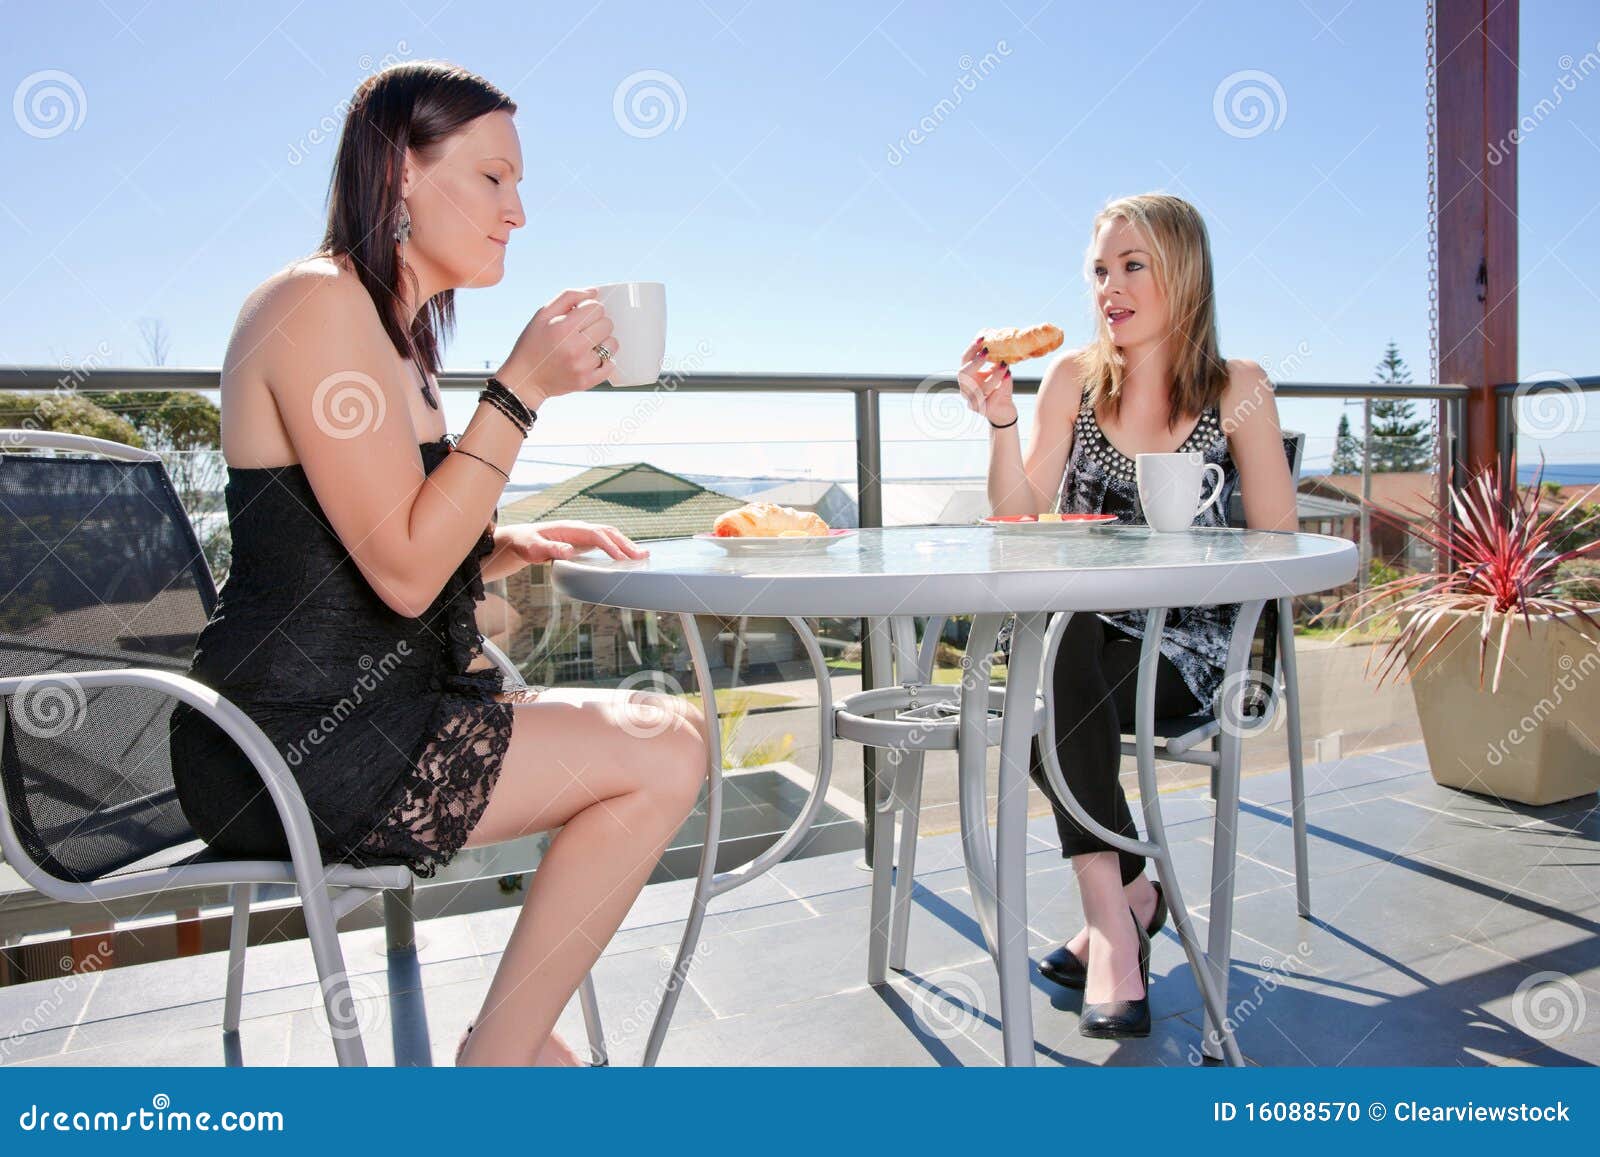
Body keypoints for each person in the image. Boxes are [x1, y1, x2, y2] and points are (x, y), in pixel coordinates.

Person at [168, 60, 709, 1067]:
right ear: (400, 172)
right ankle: (500, 1058)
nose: (518, 212)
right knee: (666, 747)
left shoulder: (390, 332)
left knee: (663, 736)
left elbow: (370, 543)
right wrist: (518, 391)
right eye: (495, 178)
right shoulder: (318, 302)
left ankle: (509, 1045)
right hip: (287, 744)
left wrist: (511, 545)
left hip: (357, 716)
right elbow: (407, 575)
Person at [957, 192, 1295, 1040]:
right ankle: (1122, 910)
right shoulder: (1072, 378)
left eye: (1132, 265)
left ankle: (1121, 918)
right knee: (1063, 649)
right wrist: (1001, 418)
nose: (1110, 286)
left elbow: (1281, 541)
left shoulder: (1239, 388)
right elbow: (1018, 516)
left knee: (1046, 700)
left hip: (1202, 653)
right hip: (1090, 643)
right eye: (1100, 270)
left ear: (1185, 273)